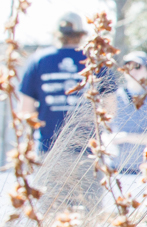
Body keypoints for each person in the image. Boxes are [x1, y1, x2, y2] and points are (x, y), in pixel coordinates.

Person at [17, 13, 93, 155]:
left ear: (56, 35)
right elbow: (110, 109)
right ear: (81, 35)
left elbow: (26, 111)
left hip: (48, 151)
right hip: (86, 152)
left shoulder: (38, 61)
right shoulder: (94, 61)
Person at [106, 51, 147, 172]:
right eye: (128, 66)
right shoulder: (114, 97)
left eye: (137, 66)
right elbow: (104, 131)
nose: (132, 71)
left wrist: (126, 137)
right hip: (116, 169)